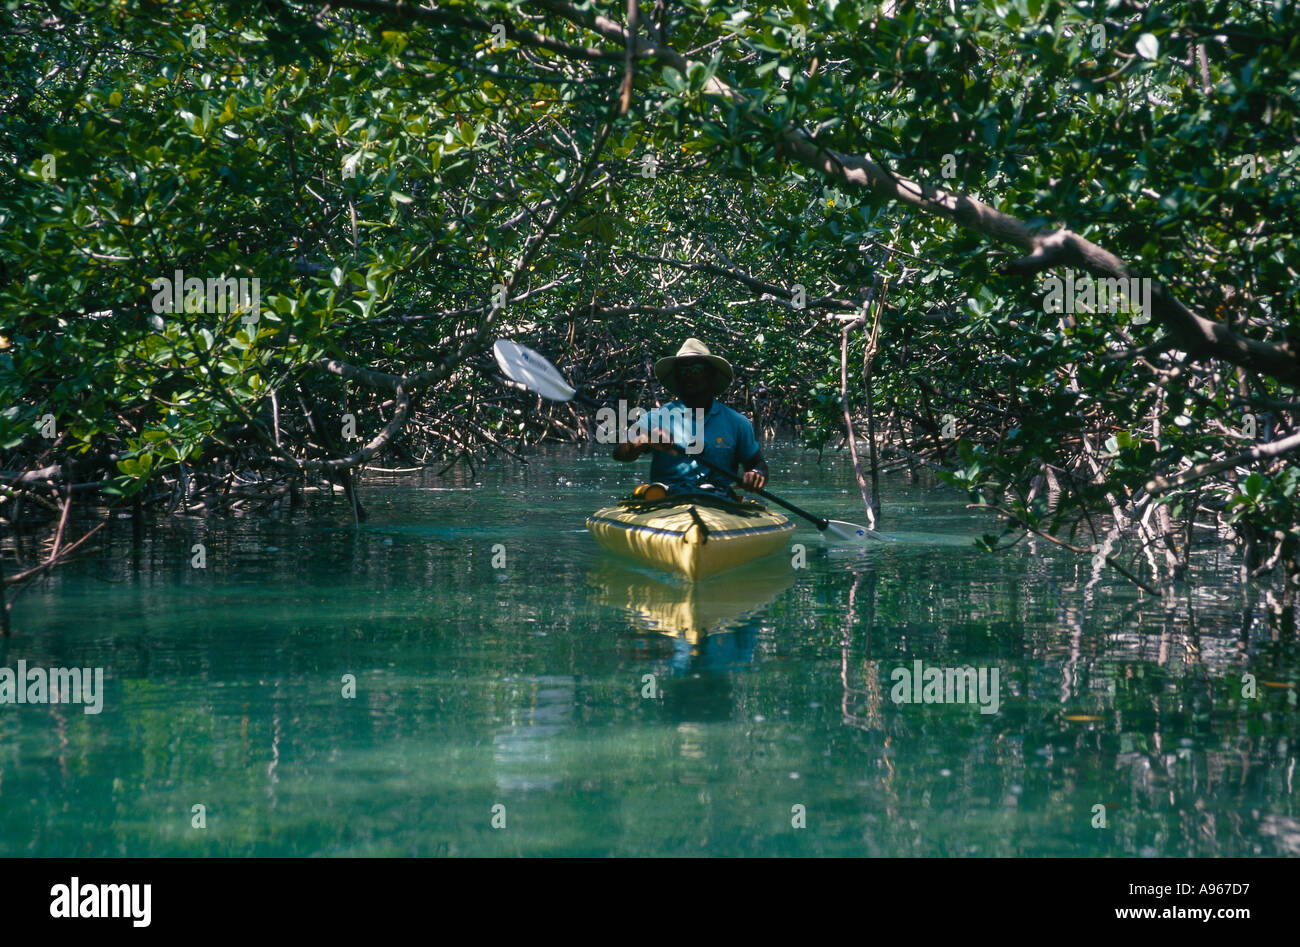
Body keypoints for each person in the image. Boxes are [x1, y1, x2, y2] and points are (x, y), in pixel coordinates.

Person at [612, 338, 770, 495]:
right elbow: (620, 453)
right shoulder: (655, 418)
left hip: (719, 503)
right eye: (683, 370)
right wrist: (644, 439)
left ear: (711, 374)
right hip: (667, 501)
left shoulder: (737, 423)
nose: (688, 375)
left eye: (696, 369)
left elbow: (757, 463)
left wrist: (756, 473)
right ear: (677, 376)